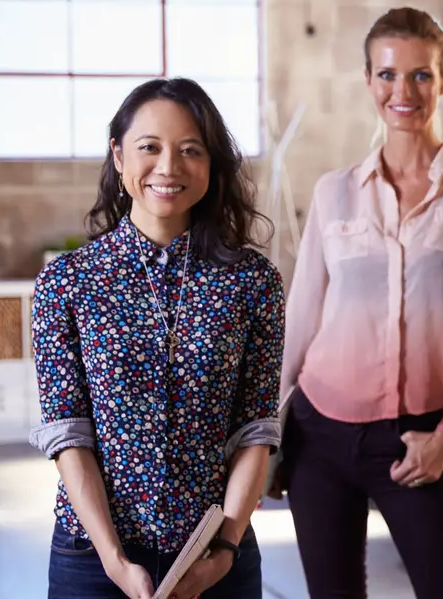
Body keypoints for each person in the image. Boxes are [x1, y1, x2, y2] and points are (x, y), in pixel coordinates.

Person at [278, 6, 443, 599]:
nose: (402, 91)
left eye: (420, 75)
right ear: (368, 81)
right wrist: (267, 433)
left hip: (420, 435)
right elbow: (302, 315)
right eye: (387, 75)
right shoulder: (334, 192)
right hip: (319, 435)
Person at [28, 77, 285, 599]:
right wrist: (114, 560)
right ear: (118, 157)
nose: (169, 167)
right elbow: (68, 434)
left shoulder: (253, 281)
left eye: (191, 150)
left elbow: (256, 430)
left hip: (217, 554)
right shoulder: (67, 282)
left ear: (212, 167)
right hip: (92, 556)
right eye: (149, 147)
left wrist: (224, 552)